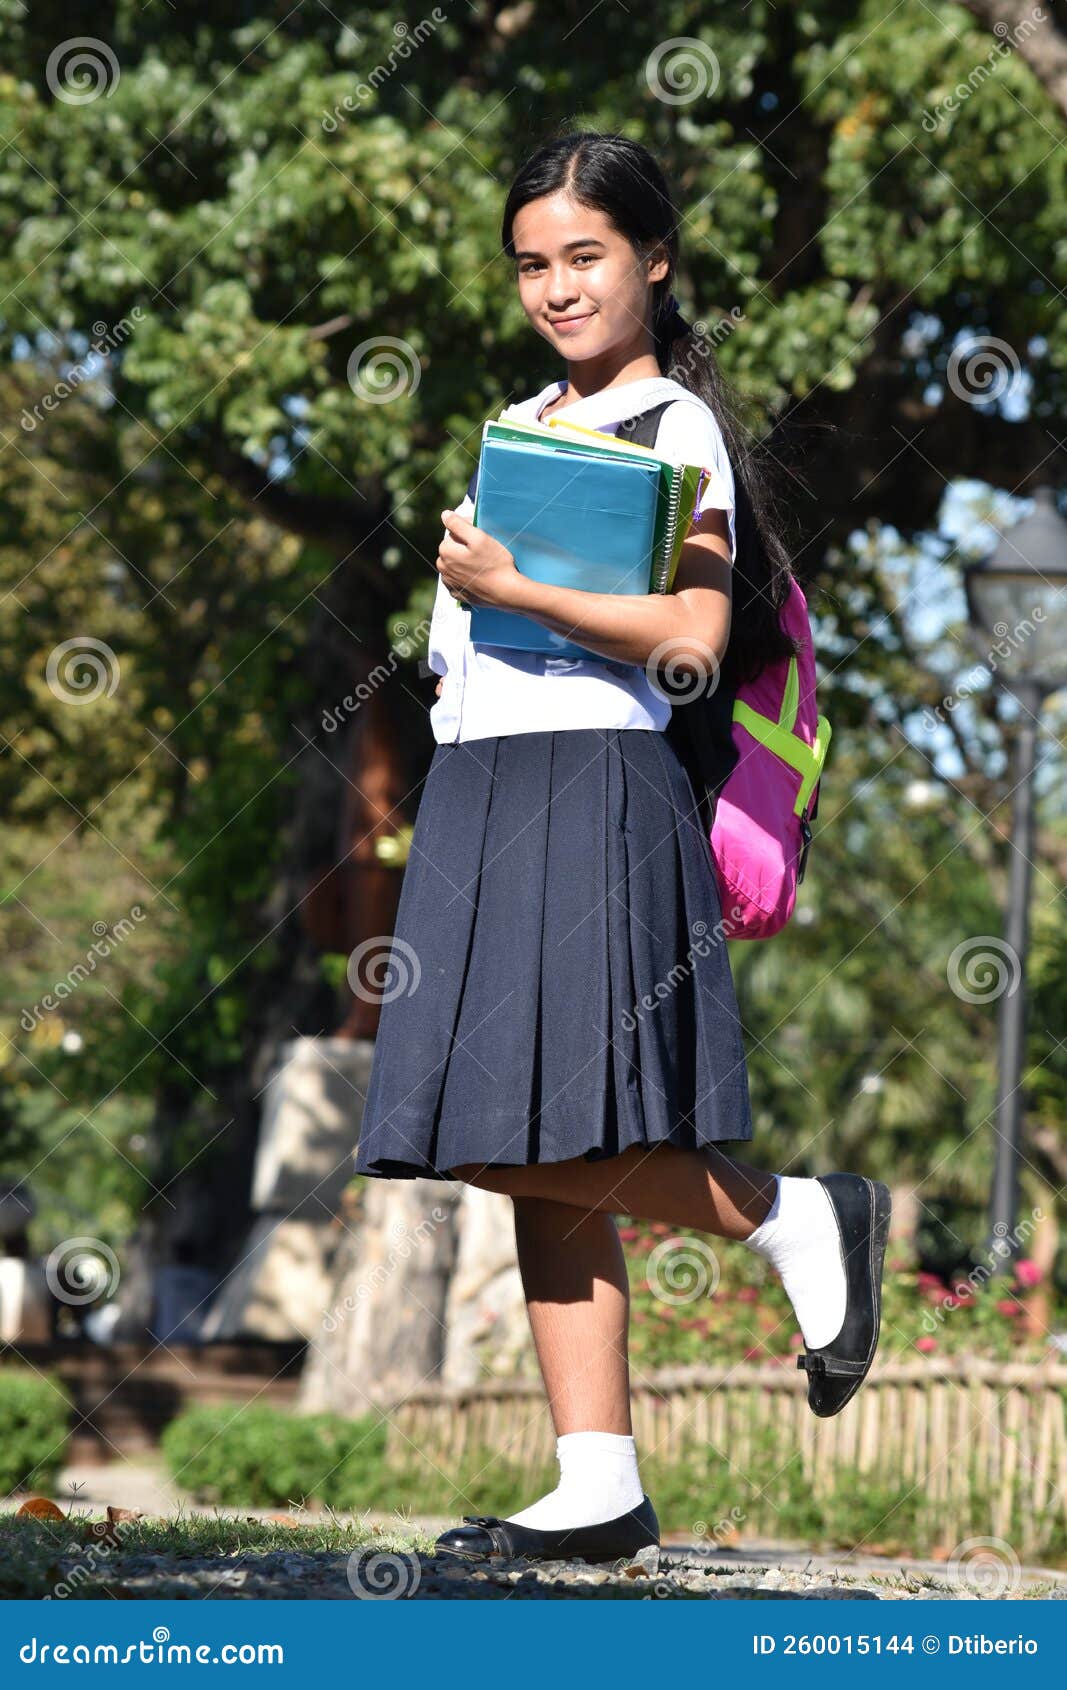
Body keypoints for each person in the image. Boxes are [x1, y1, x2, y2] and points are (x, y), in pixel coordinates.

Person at [351, 130, 891, 1564]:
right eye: (533, 263)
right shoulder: (526, 420)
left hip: (593, 785)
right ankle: (596, 1477)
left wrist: (515, 582)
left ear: (653, 258)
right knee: (514, 1137)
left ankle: (793, 1217)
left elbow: (695, 642)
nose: (557, 286)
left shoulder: (675, 427)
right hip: (485, 787)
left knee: (543, 1131)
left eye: (585, 256)